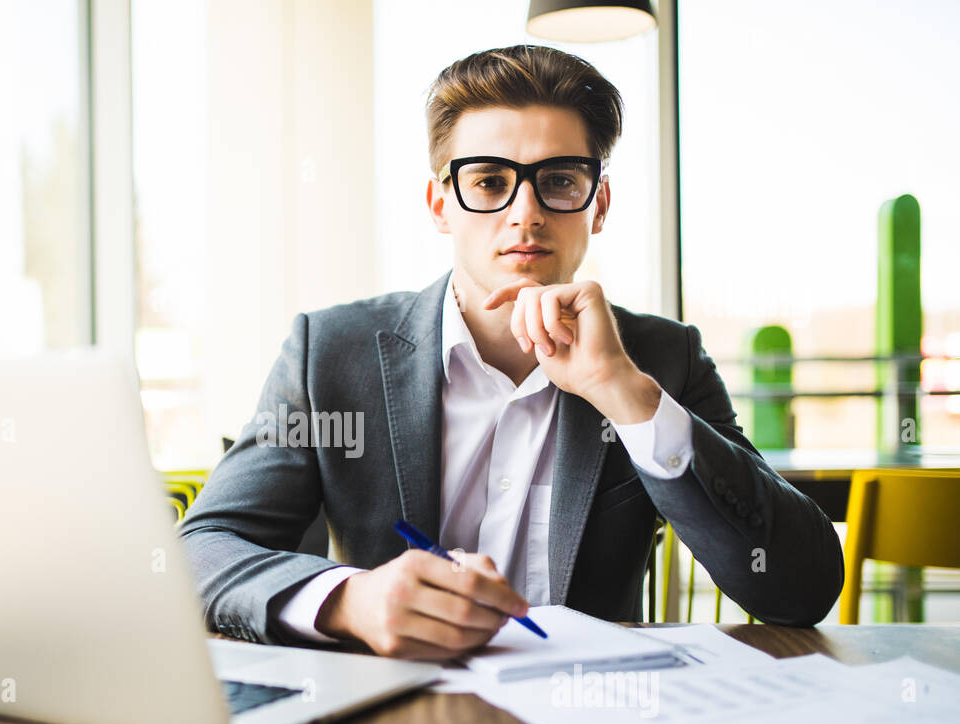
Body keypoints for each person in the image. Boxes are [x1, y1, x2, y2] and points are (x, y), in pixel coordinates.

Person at [178, 44, 843, 660]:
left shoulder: (662, 360)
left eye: (558, 180)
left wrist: (627, 396)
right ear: (440, 203)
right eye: (491, 182)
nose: (525, 212)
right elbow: (198, 551)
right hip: (387, 723)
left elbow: (800, 589)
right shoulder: (329, 353)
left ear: (598, 203)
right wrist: (352, 599)